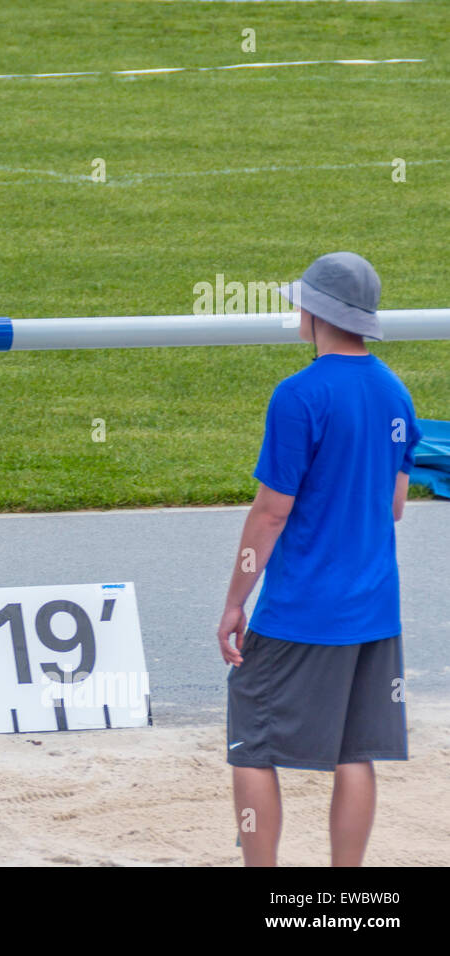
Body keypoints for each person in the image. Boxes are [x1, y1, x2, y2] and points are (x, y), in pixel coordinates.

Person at [216, 252, 419, 867]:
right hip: (375, 607)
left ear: (314, 313)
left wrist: (234, 601)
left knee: (251, 744)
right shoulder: (395, 392)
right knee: (354, 752)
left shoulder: (298, 395)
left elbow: (270, 513)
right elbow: (394, 506)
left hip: (302, 610)